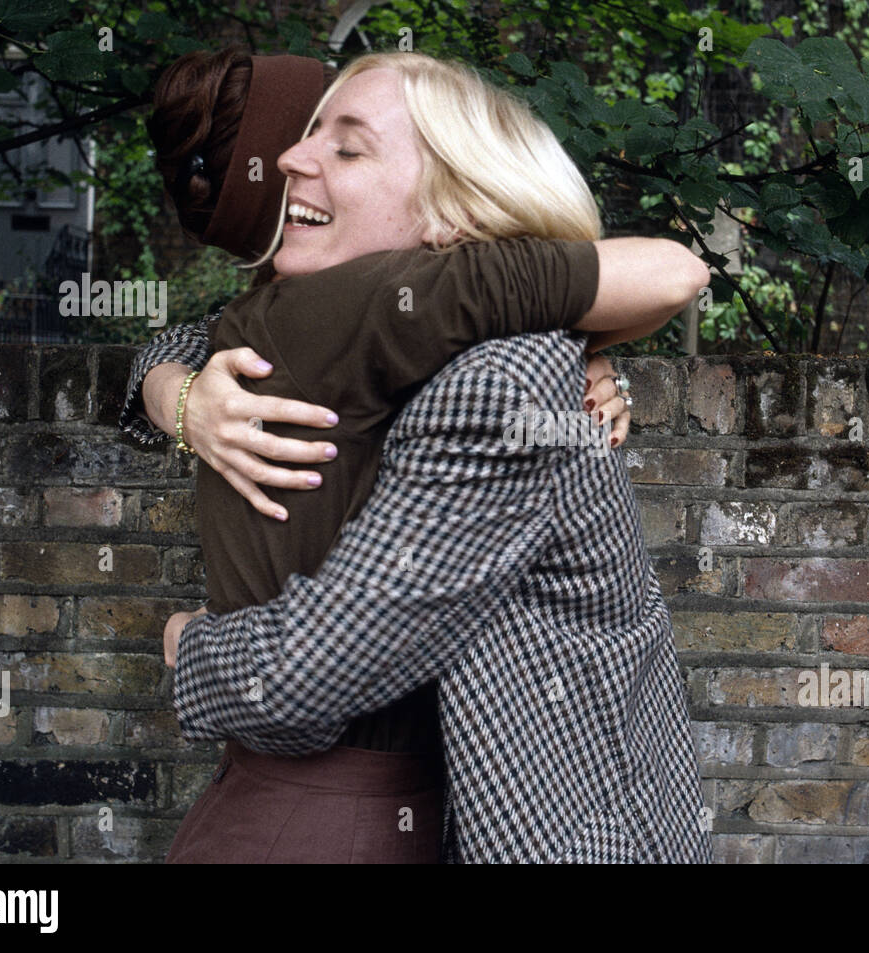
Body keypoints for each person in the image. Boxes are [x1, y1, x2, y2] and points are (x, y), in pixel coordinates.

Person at [125, 50, 712, 862]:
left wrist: (190, 641)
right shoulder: (363, 325)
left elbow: (311, 671)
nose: (295, 158)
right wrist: (175, 391)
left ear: (449, 215)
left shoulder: (497, 370)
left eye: (348, 146)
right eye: (306, 136)